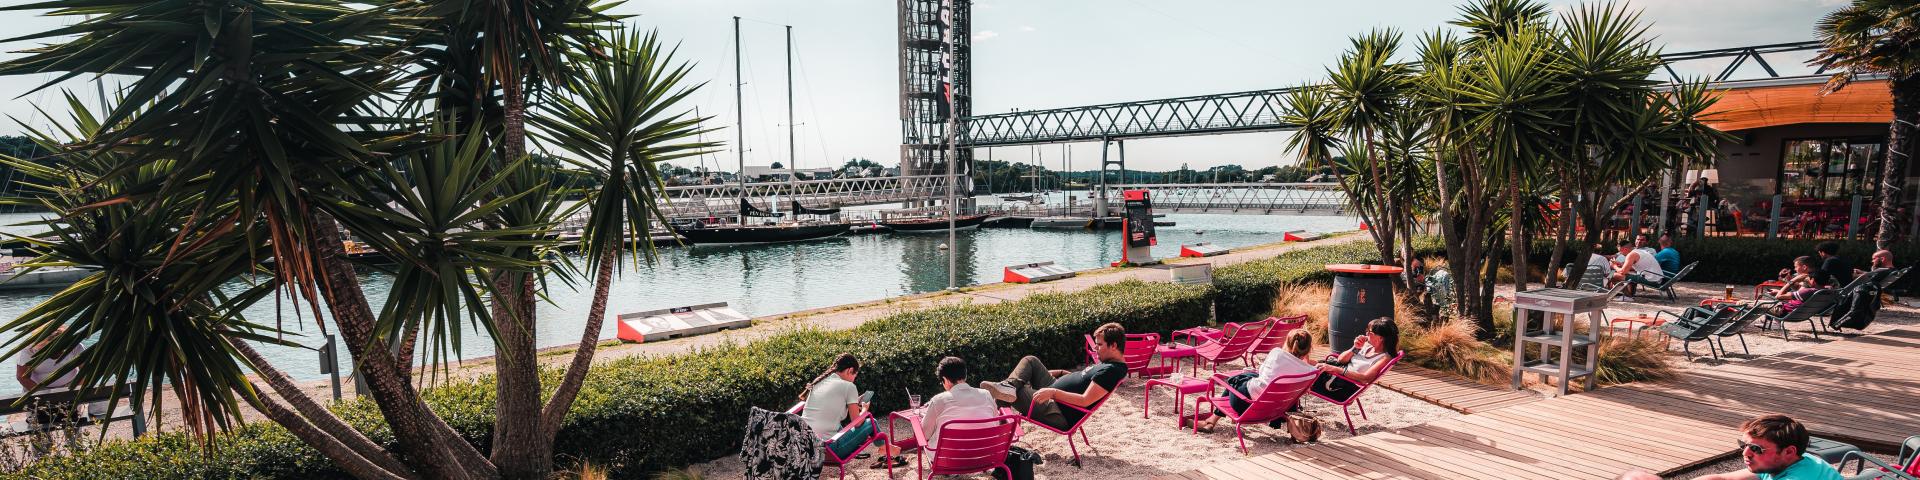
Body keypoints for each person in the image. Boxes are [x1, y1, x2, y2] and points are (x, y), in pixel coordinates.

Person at [982, 323, 1129, 432]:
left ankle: (1000, 432)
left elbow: (1085, 400)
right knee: (1030, 361)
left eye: (1099, 345)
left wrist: (1053, 393)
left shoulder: (1112, 370)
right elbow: (1083, 379)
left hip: (1058, 411)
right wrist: (1062, 374)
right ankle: (1009, 388)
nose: (1095, 348)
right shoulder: (1107, 364)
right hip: (1055, 392)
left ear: (1114, 345)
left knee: (1012, 393)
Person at [1619, 414, 1842, 480]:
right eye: (1744, 445)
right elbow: (1722, 479)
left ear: (1789, 451)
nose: (1745, 454)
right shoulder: (1779, 465)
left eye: (1756, 449)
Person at [1193, 328, 1318, 432]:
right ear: (1308, 349)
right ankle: (1211, 420)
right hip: (1277, 410)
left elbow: (1262, 374)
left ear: (1289, 343)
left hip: (1246, 406)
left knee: (1234, 380)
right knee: (1248, 377)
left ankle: (1211, 420)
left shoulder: (1277, 354)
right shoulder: (1310, 372)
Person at [798, 353, 902, 468]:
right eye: (855, 376)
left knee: (838, 427)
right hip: (828, 451)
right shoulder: (848, 386)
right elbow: (857, 423)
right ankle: (885, 449)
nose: (853, 380)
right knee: (871, 423)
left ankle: (884, 448)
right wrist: (864, 410)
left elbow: (829, 408)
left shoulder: (819, 382)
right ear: (850, 370)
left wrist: (851, 402)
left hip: (804, 446)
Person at [917, 357, 1000, 451]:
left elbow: (924, 434)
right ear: (965, 376)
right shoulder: (986, 394)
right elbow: (996, 424)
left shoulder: (938, 400)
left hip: (949, 461)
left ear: (945, 379)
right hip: (986, 455)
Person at [1311, 318, 1399, 403]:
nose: (1366, 334)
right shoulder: (1367, 347)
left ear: (1381, 338)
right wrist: (1355, 347)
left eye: (1370, 332)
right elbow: (1340, 360)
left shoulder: (1384, 358)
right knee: (1306, 364)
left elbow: (1365, 378)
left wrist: (1334, 369)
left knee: (1304, 373)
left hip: (1341, 387)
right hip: (1336, 375)